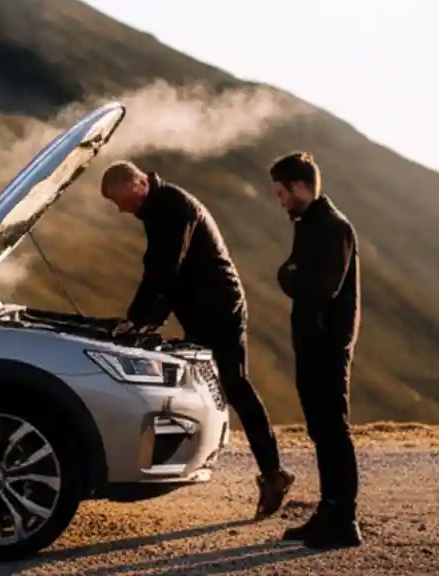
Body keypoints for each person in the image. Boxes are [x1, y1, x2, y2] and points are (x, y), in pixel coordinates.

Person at [101, 160, 295, 520]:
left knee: (235, 385)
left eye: (120, 200)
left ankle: (274, 473)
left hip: (219, 308)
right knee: (212, 386)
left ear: (139, 183)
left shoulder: (172, 207)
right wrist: (143, 321)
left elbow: (164, 270)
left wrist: (137, 320)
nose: (121, 209)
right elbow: (166, 276)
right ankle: (241, 467)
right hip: (202, 306)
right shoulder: (158, 207)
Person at [268, 151, 363, 549]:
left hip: (327, 347)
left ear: (302, 187)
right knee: (321, 432)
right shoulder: (309, 224)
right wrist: (292, 274)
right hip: (312, 345)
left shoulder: (332, 227)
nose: (281, 200)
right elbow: (294, 273)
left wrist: (289, 276)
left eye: (282, 192)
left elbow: (318, 286)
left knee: (332, 431)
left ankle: (344, 520)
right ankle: (329, 511)